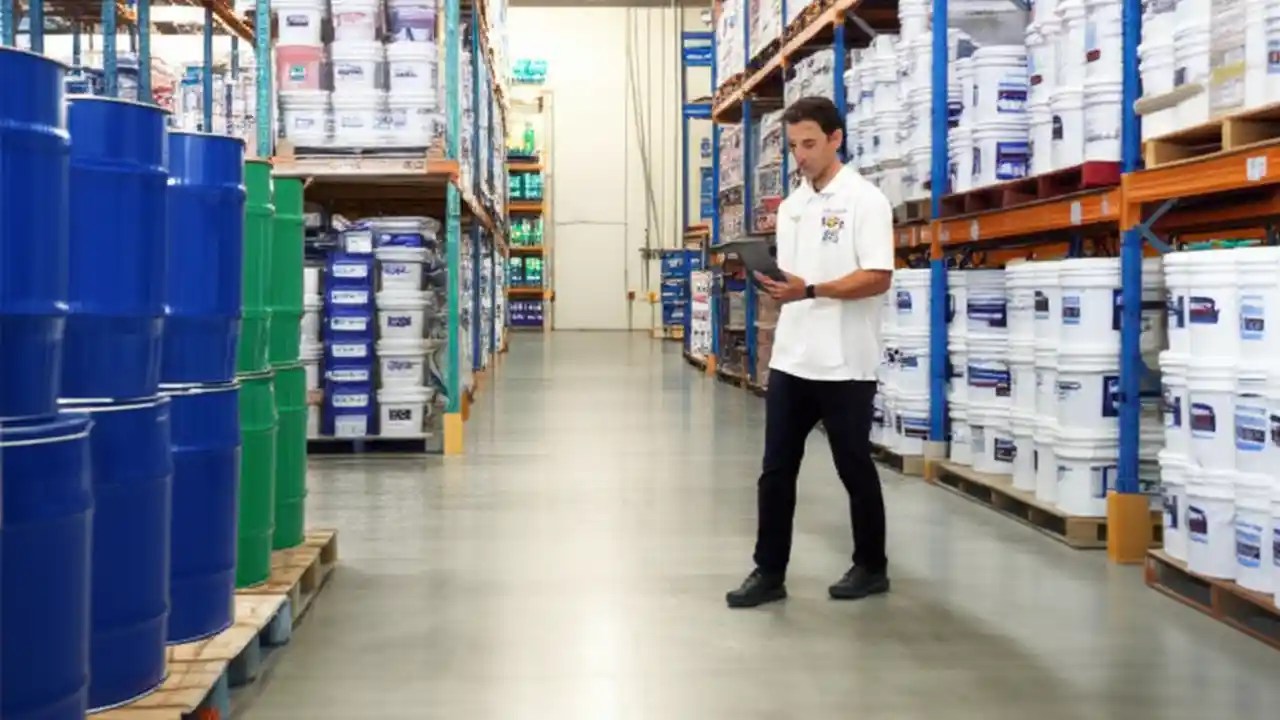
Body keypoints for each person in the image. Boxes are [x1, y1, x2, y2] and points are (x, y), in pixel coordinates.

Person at [726, 96, 895, 609]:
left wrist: (811, 290)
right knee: (776, 470)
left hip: (845, 363)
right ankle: (768, 571)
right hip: (792, 359)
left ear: (835, 139)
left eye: (810, 144)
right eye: (795, 146)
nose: (800, 155)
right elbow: (797, 277)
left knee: (853, 467)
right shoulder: (794, 205)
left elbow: (877, 277)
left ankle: (871, 565)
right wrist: (775, 282)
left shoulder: (865, 201)